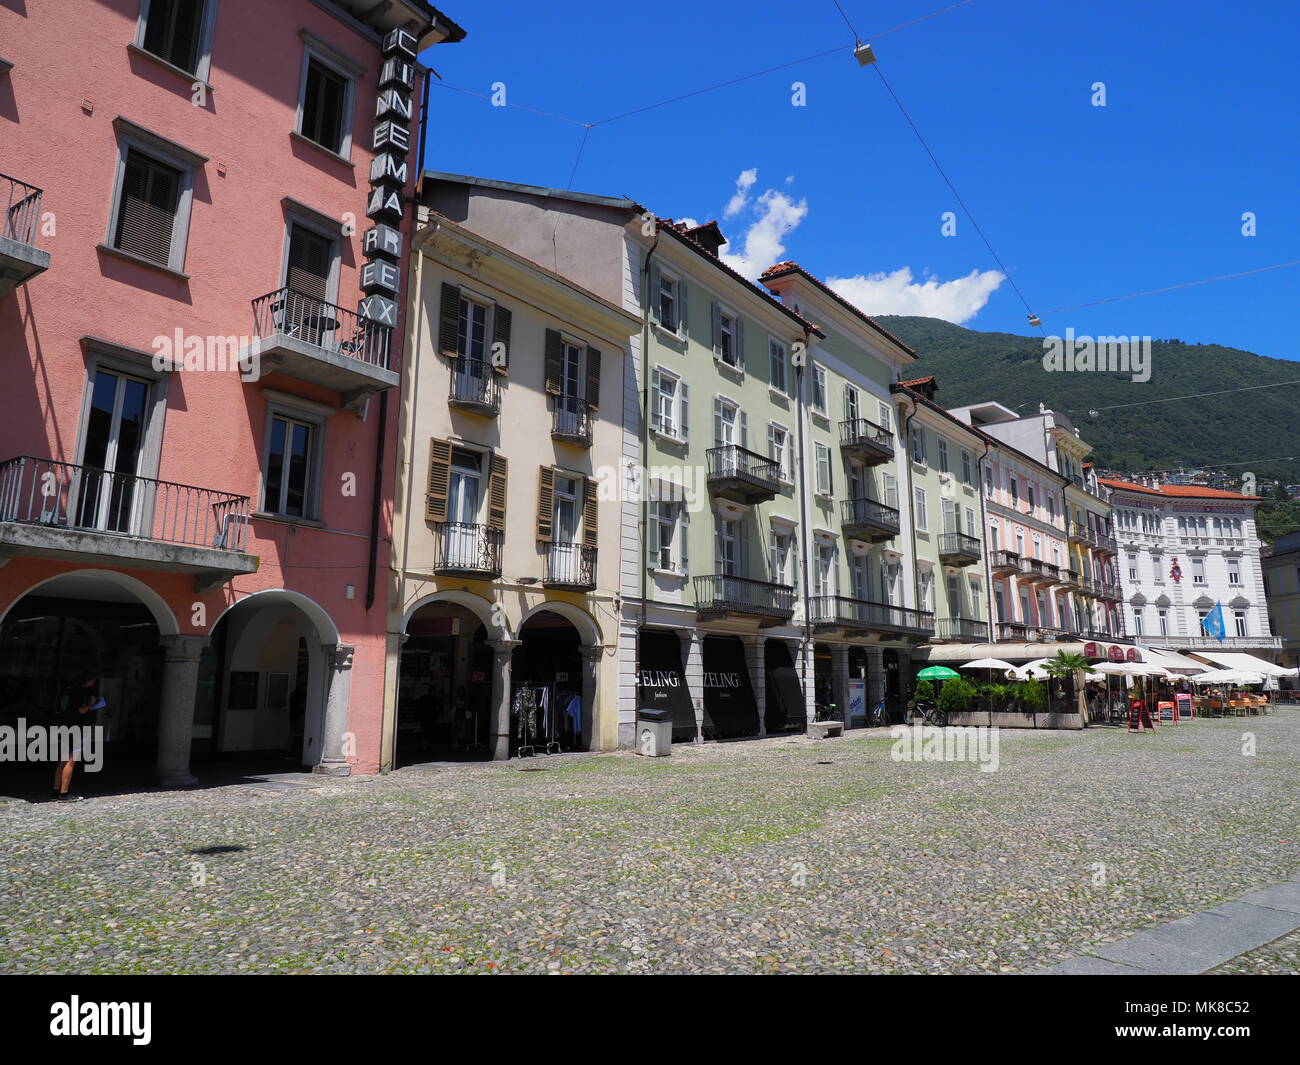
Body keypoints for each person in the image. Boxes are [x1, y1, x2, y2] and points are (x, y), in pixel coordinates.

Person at [52, 673, 101, 802]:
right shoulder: (80, 693)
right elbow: (81, 710)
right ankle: (64, 793)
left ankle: (56, 791)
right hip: (75, 728)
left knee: (62, 761)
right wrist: (92, 704)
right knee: (71, 761)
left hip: (64, 726)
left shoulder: (69, 690)